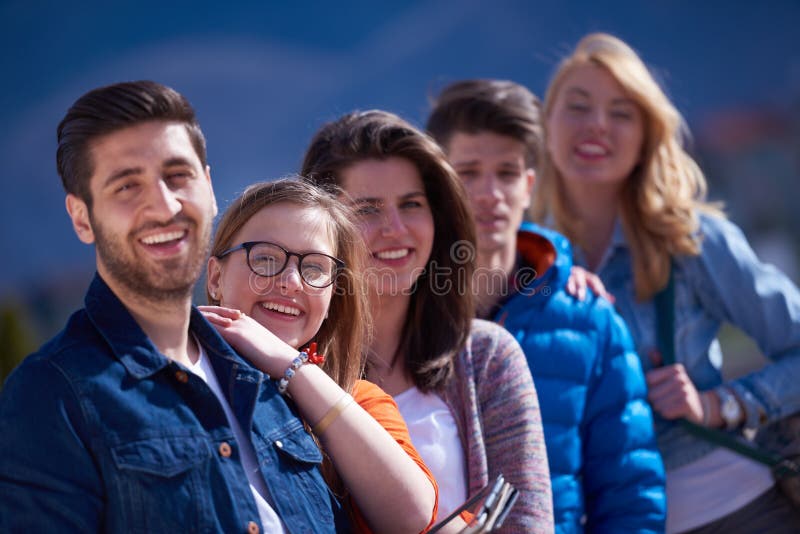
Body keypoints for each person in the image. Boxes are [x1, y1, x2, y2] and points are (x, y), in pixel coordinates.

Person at [0, 81, 342, 532]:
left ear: (209, 188)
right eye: (127, 185)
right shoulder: (52, 395)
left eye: (178, 175)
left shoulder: (262, 376)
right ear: (83, 218)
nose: (164, 206)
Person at [534, 32, 800, 533]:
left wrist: (721, 404)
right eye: (578, 106)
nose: (597, 124)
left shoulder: (691, 240)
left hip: (741, 513)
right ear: (546, 126)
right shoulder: (527, 264)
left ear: (646, 136)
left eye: (621, 112)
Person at [425, 79, 666, 533]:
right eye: (469, 172)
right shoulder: (402, 314)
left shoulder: (590, 318)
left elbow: (630, 493)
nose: (490, 193)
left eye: (507, 173)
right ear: (439, 185)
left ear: (529, 186)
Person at [301, 109, 554, 533]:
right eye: (368, 209)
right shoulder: (286, 367)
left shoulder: (487, 358)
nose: (395, 228)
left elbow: (528, 523)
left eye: (412, 204)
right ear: (321, 227)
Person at [199, 177, 438, 533]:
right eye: (265, 258)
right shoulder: (173, 370)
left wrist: (292, 367)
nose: (292, 281)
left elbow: (412, 516)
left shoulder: (359, 400)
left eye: (314, 268)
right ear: (215, 278)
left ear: (331, 299)